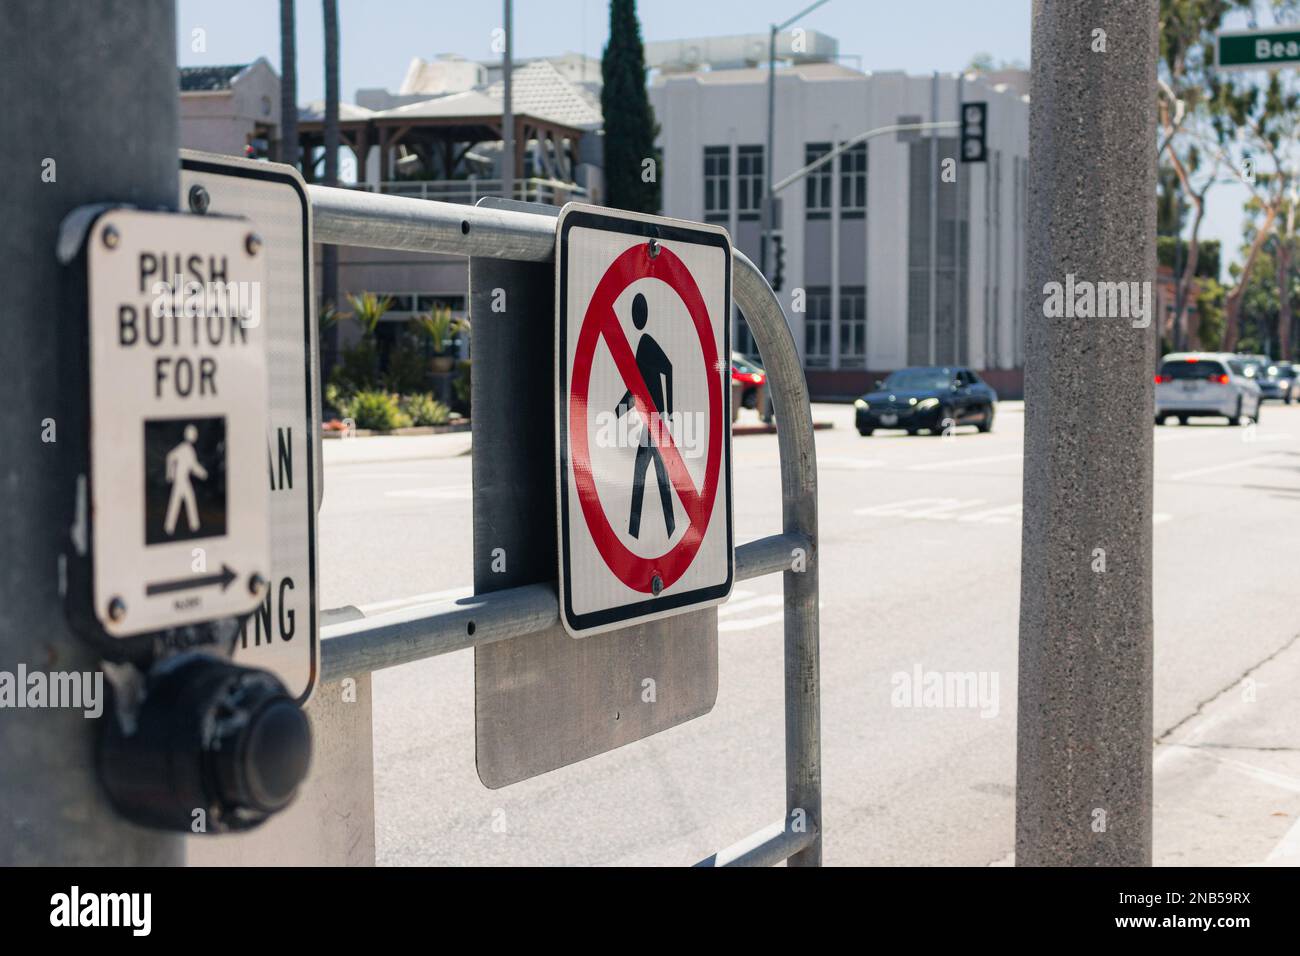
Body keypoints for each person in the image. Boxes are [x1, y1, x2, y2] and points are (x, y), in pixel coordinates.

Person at [613, 293, 675, 539]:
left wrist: (668, 409)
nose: (635, 318)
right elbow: (635, 388)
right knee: (658, 475)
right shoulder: (640, 345)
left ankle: (635, 530)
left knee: (644, 473)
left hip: (655, 422)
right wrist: (619, 410)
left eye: (637, 313)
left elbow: (668, 368)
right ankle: (666, 527)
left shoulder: (646, 343)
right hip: (651, 421)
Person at [163, 424, 208, 535]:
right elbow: (170, 456)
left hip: (183, 479)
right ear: (191, 435)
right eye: (194, 434)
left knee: (180, 501)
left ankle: (172, 527)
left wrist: (201, 473)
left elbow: (192, 466)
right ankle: (192, 525)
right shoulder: (184, 448)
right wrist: (170, 473)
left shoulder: (189, 449)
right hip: (181, 479)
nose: (195, 436)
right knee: (184, 500)